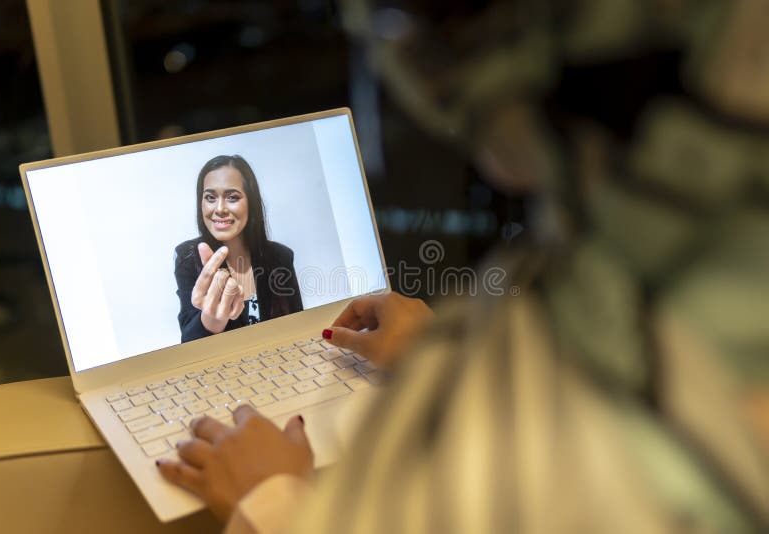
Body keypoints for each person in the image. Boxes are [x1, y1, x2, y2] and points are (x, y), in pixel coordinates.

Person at [159, 1, 769, 532]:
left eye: (447, 14)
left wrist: (272, 503)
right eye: (210, 197)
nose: (425, 82)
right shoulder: (616, 252)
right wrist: (437, 348)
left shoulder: (674, 377)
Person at [174, 155, 303, 343]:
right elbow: (188, 343)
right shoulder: (187, 257)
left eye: (232, 197)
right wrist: (211, 321)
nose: (219, 209)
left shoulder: (281, 257)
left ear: (251, 202)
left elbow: (299, 325)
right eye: (210, 197)